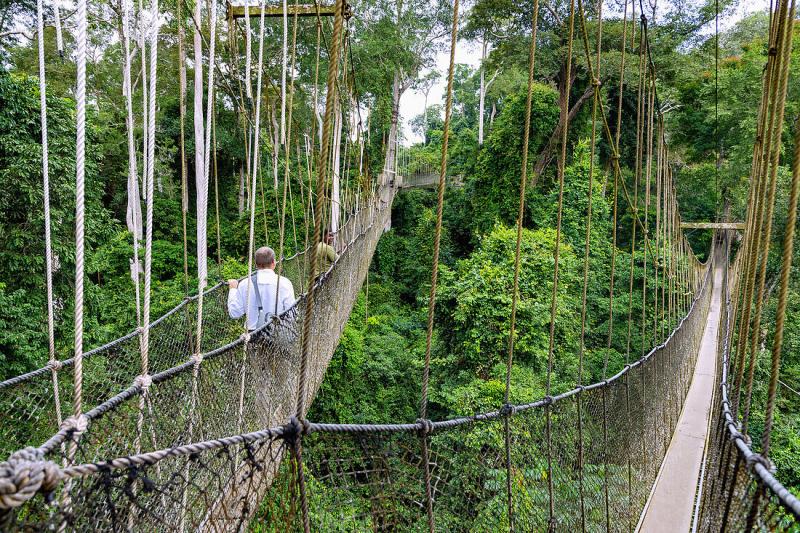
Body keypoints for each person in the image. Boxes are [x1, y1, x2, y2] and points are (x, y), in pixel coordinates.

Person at [228, 246, 296, 331]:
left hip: (253, 334)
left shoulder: (245, 284)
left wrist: (233, 289)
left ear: (256, 264)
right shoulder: (284, 283)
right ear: (274, 262)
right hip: (278, 332)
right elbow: (292, 315)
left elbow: (234, 313)